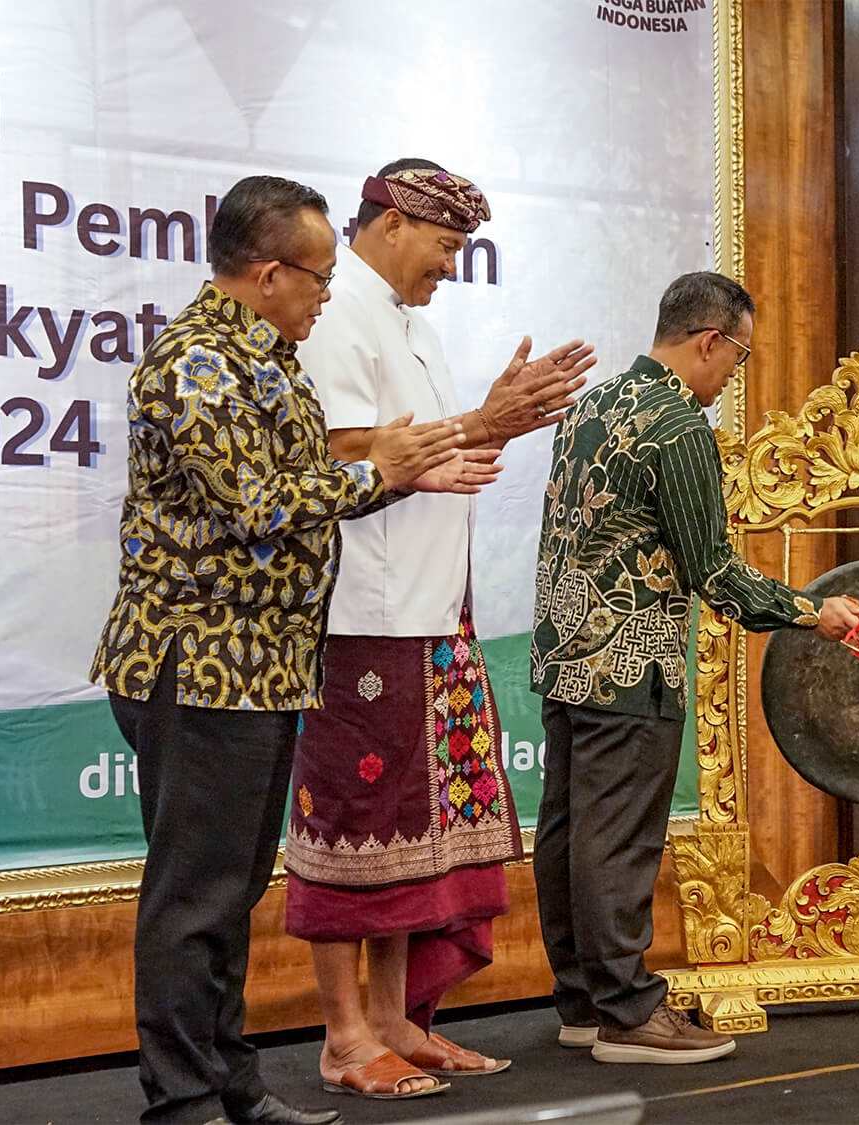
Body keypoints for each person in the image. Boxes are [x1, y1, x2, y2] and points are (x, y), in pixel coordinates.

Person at [92, 174, 488, 1125]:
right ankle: (182, 1100)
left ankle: (233, 1084)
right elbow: (262, 506)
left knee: (229, 894)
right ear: (266, 275)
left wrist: (400, 471)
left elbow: (315, 483)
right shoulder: (194, 365)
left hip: (263, 664)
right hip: (200, 663)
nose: (326, 293)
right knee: (193, 899)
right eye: (315, 278)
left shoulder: (267, 360)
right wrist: (383, 466)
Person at [284, 160, 596, 1100]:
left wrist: (494, 425)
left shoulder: (411, 324)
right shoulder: (336, 319)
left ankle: (395, 1021)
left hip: (431, 610)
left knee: (414, 831)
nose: (453, 266)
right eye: (446, 243)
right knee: (354, 825)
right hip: (360, 616)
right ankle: (343, 1036)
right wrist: (480, 420)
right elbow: (334, 452)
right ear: (387, 224)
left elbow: (427, 456)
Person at [530, 271, 859, 1063]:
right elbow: (714, 572)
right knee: (617, 841)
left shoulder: (593, 404)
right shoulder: (678, 427)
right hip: (630, 665)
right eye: (737, 360)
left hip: (564, 655)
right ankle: (629, 1014)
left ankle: (583, 999)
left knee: (571, 831)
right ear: (709, 341)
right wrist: (812, 611)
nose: (730, 380)